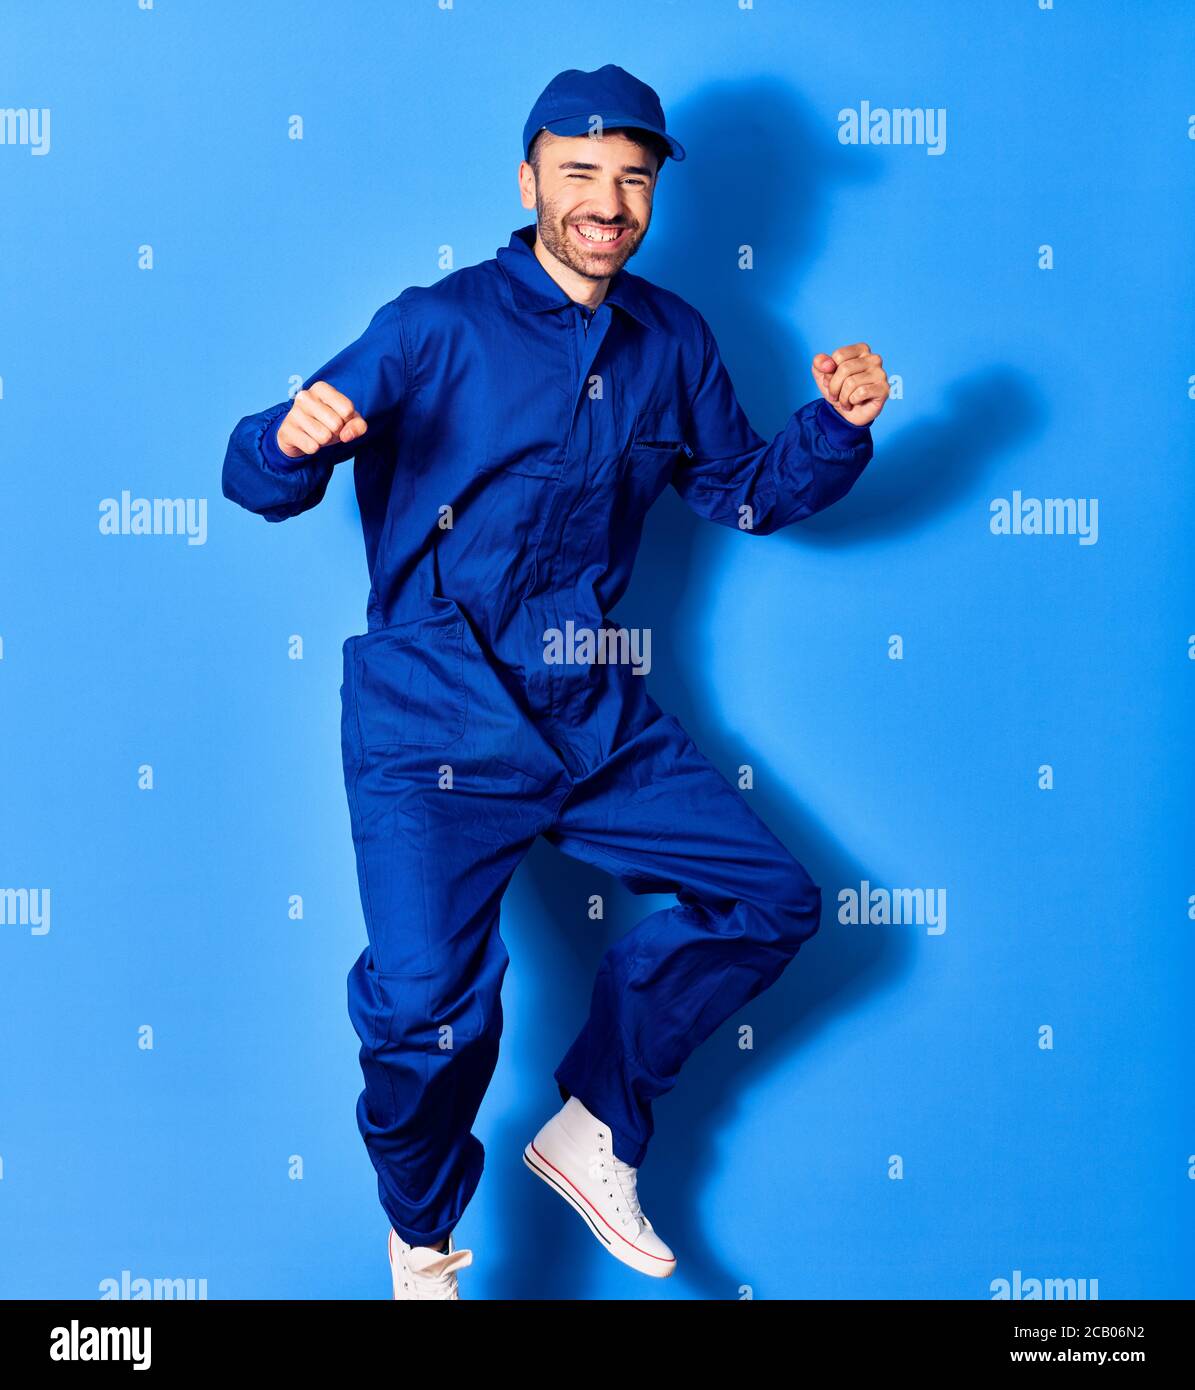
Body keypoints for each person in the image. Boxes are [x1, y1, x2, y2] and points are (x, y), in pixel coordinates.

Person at [222, 63, 889, 1300]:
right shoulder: (434, 323)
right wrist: (287, 440)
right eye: (580, 173)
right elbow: (261, 470)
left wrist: (834, 429)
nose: (608, 201)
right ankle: (421, 1238)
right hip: (430, 712)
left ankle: (595, 1123)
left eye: (631, 179)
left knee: (773, 900)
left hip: (589, 703)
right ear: (528, 179)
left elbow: (741, 491)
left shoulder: (672, 338)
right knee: (429, 1011)